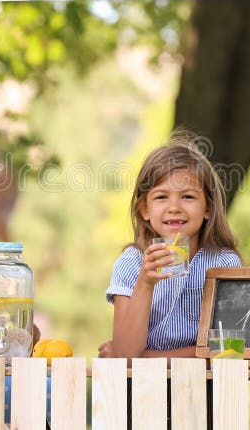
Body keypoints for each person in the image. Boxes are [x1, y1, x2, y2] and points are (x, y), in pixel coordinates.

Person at [98, 132, 241, 359]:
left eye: (187, 197)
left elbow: (229, 348)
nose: (174, 207)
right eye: (161, 197)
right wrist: (145, 283)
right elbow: (125, 354)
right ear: (145, 209)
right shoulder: (131, 264)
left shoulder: (223, 263)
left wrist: (148, 358)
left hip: (205, 389)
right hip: (141, 391)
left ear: (208, 208)